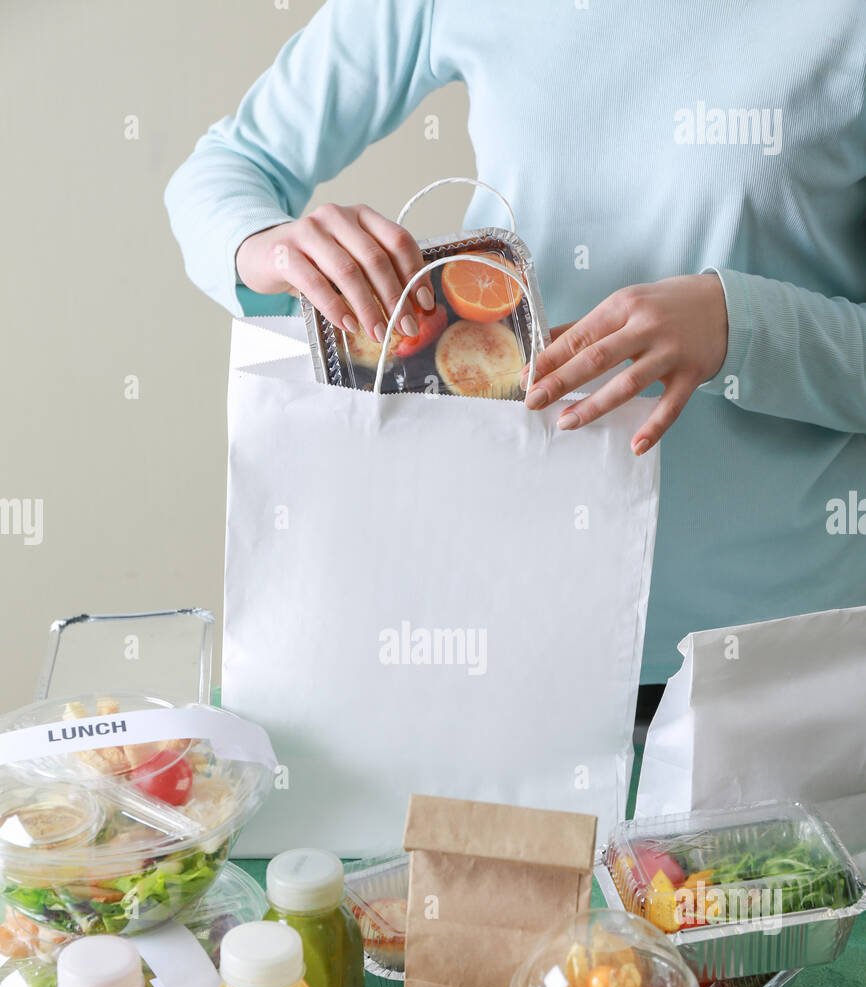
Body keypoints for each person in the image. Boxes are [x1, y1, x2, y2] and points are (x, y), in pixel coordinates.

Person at [166, 0, 866, 686]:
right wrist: (270, 247)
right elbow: (224, 169)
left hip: (782, 654)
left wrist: (739, 324)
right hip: (502, 624)